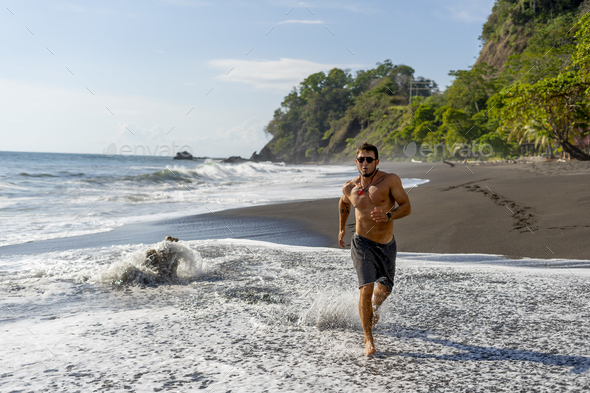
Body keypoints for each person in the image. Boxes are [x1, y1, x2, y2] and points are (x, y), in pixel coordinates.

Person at [338, 142, 411, 356]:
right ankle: (368, 339)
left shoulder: (389, 181)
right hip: (362, 243)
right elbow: (343, 204)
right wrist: (341, 229)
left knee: (384, 290)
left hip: (386, 244)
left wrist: (389, 215)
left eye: (369, 159)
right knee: (366, 287)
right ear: (357, 161)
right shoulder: (349, 187)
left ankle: (374, 307)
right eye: (361, 159)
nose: (365, 163)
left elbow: (406, 206)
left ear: (377, 162)